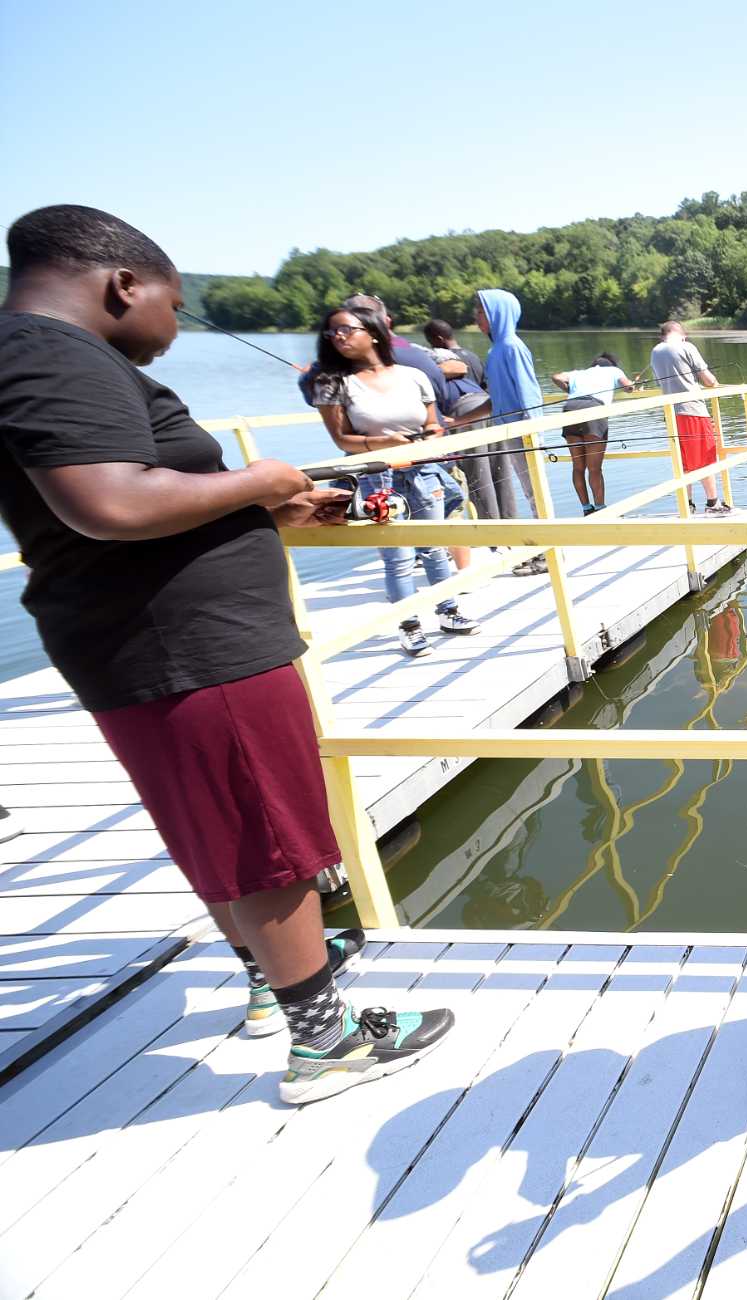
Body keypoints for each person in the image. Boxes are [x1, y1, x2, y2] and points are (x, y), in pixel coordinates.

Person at [0, 204, 453, 1103]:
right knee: (266, 836)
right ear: (122, 284)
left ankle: (270, 978)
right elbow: (112, 503)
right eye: (172, 306)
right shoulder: (52, 354)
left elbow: (127, 499)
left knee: (220, 825)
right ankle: (325, 1041)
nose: (172, 329)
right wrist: (263, 477)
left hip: (150, 642)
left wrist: (259, 510)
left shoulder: (36, 353)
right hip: (192, 647)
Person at [310, 305, 481, 656]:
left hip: (423, 470)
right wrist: (382, 443)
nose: (338, 337)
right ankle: (410, 626)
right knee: (398, 556)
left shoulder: (412, 376)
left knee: (434, 546)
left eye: (346, 329)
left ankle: (449, 611)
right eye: (332, 332)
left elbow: (433, 423)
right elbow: (342, 439)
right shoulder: (332, 383)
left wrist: (432, 435)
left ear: (372, 332)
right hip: (377, 479)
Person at [475, 289, 547, 573]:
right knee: (531, 494)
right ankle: (543, 548)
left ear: (498, 313)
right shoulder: (495, 351)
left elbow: (529, 394)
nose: (477, 317)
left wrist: (534, 433)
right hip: (508, 432)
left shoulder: (512, 348)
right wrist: (454, 421)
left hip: (523, 433)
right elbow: (495, 400)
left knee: (536, 494)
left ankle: (549, 553)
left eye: (481, 311)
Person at [650, 321, 729, 514]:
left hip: (671, 413)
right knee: (705, 456)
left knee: (683, 460)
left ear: (662, 336)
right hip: (693, 410)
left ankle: (688, 505)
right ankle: (713, 503)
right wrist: (714, 382)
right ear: (682, 335)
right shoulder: (687, 347)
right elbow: (708, 381)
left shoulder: (655, 351)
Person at [548, 351, 632, 514]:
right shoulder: (614, 370)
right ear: (611, 364)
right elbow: (628, 386)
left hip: (570, 408)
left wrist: (569, 390)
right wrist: (632, 386)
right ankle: (600, 509)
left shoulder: (579, 373)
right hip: (593, 409)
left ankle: (586, 509)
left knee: (578, 466)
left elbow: (556, 377)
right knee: (594, 468)